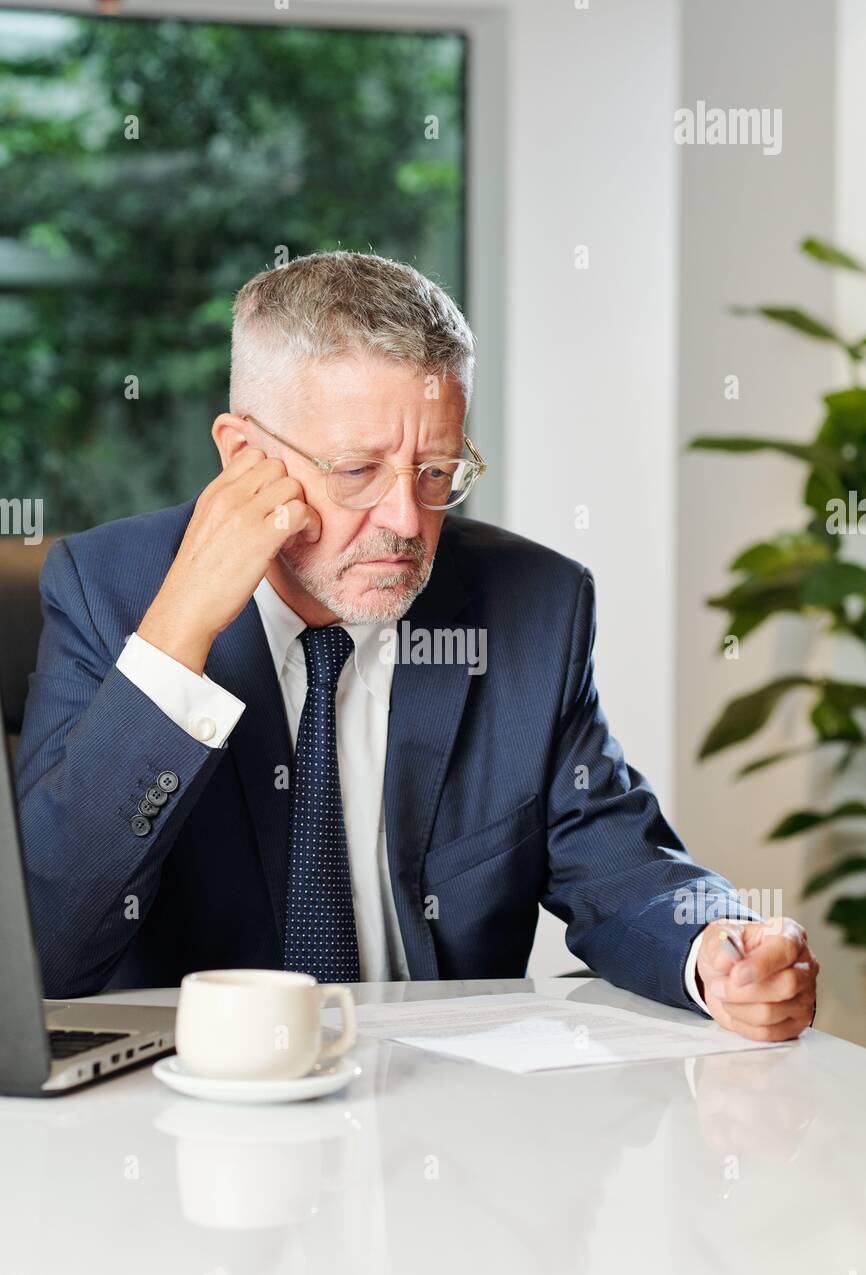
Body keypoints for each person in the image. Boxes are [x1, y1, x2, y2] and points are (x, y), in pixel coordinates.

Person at [15, 251, 818, 1039]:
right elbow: (45, 948)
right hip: (189, 1116)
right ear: (243, 456)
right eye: (359, 470)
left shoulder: (533, 607)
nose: (405, 520)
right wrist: (176, 637)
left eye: (436, 472)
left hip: (440, 1121)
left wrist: (718, 947)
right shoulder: (109, 590)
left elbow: (620, 863)